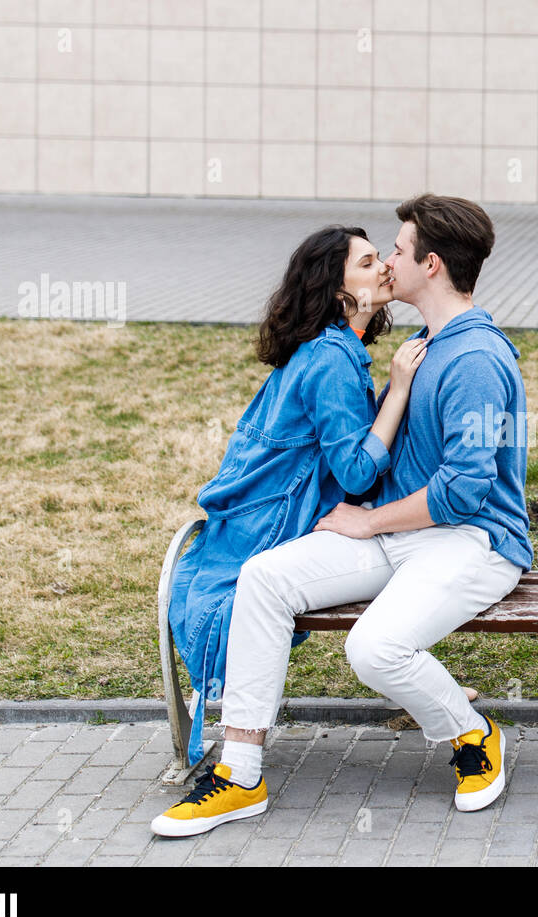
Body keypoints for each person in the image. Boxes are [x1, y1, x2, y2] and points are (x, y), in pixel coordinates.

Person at [152, 194, 531, 837]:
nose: (388, 260)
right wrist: (371, 516)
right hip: (396, 532)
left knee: (375, 648)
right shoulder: (423, 342)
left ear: (430, 265)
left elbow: (466, 490)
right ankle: (240, 772)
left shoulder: (474, 359)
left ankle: (472, 734)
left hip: (471, 540)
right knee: (264, 578)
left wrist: (368, 520)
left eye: (398, 251)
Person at [162, 225, 425, 784]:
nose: (383, 268)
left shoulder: (331, 349)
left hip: (264, 515)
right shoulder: (331, 358)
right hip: (272, 526)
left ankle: (413, 679)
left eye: (383, 257)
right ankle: (412, 680)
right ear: (338, 289)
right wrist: (399, 390)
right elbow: (353, 470)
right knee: (404, 550)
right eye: (368, 262)